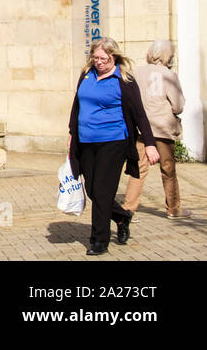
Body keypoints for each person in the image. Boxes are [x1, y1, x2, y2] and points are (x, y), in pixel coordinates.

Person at [68, 37, 158, 256]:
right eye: (95, 57)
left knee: (102, 190)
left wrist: (150, 144)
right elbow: (76, 107)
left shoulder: (124, 80)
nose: (99, 62)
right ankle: (122, 216)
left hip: (113, 142)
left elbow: (139, 114)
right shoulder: (86, 75)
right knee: (91, 189)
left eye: (104, 59)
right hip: (86, 141)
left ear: (114, 57)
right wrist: (71, 134)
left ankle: (99, 240)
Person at [122, 40, 189, 219]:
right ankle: (174, 209)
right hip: (163, 128)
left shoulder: (136, 72)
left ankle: (128, 209)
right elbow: (178, 105)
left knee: (139, 169)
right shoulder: (169, 75)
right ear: (168, 55)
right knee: (168, 169)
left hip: (142, 129)